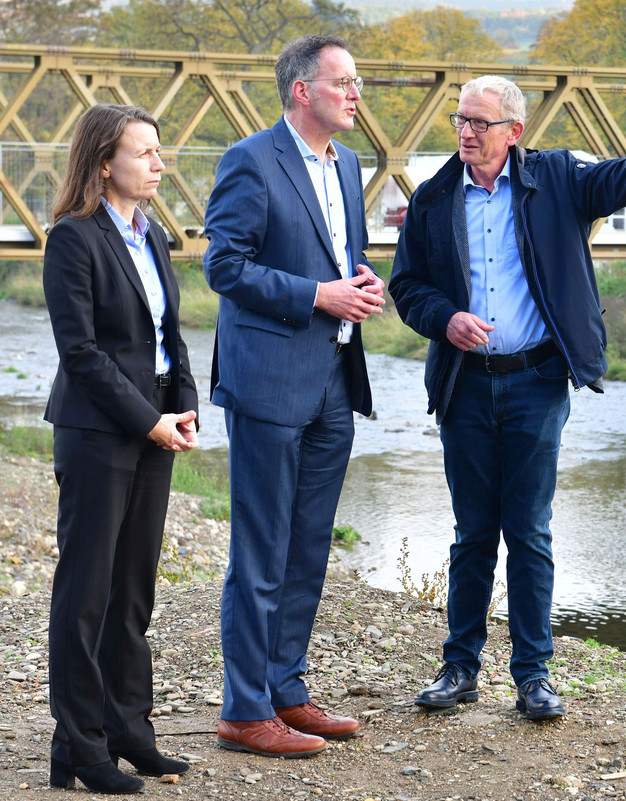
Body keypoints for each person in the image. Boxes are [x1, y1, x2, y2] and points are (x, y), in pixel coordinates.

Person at [388, 75, 626, 721]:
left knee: (528, 530)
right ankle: (459, 668)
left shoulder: (555, 180)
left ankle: (532, 676)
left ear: (513, 132)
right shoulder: (435, 197)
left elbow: (619, 178)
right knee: (472, 534)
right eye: (460, 120)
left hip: (537, 382)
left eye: (480, 123)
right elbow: (406, 286)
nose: (466, 132)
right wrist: (445, 319)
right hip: (465, 384)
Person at [203, 34, 384, 758]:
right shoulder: (250, 159)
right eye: (343, 81)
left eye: (357, 81)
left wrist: (360, 284)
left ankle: (287, 688)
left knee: (308, 548)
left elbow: (342, 259)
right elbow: (225, 265)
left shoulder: (349, 167)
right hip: (269, 383)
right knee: (260, 552)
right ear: (302, 90)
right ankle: (243, 709)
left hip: (334, 382)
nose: (356, 92)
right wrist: (319, 294)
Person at [43, 103, 199, 793]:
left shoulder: (153, 234)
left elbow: (170, 332)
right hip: (98, 433)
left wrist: (184, 401)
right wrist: (148, 420)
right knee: (86, 595)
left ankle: (129, 730)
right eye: (146, 153)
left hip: (156, 425)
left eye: (159, 152)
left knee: (133, 591)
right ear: (106, 161)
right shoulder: (72, 239)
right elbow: (81, 354)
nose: (159, 163)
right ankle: (79, 744)